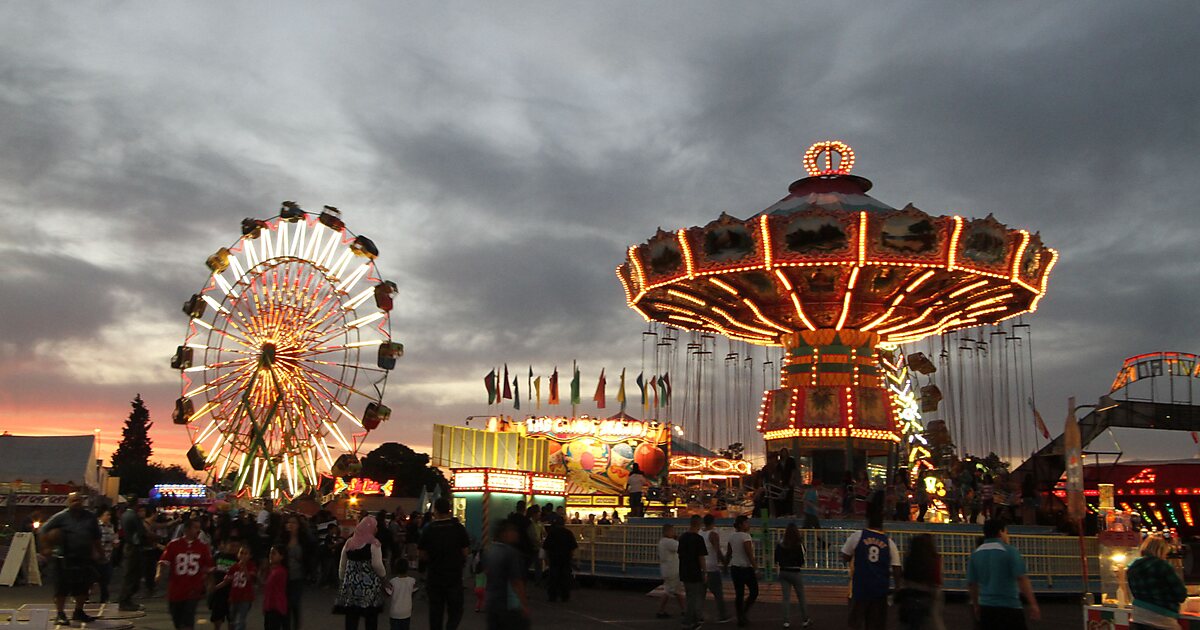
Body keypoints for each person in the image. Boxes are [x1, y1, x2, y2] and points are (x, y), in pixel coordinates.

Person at [38, 491, 101, 626]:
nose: (76, 502)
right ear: (68, 502)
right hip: (64, 557)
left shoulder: (90, 517)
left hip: (84, 557)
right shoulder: (60, 517)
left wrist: (98, 552)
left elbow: (96, 537)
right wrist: (46, 547)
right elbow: (43, 529)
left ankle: (78, 612)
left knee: (83, 588)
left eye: (78, 500)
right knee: (61, 588)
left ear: (82, 501)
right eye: (73, 500)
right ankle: (60, 614)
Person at [966, 519, 1040, 629]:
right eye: (1006, 532)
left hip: (986, 607)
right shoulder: (1010, 551)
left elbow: (972, 584)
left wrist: (976, 606)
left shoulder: (975, 554)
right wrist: (1033, 603)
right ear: (1000, 532)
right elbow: (1022, 578)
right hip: (1009, 606)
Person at [840, 499, 902, 630]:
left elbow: (844, 556)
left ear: (867, 521)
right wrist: (897, 588)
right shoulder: (889, 542)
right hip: (879, 591)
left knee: (855, 623)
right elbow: (897, 568)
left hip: (859, 589)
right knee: (876, 624)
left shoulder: (857, 536)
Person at [419, 497, 471, 630]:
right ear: (449, 510)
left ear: (435, 510)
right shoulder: (458, 528)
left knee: (436, 611)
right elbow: (465, 552)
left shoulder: (429, 529)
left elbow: (422, 554)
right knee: (456, 610)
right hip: (454, 576)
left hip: (434, 576)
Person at [158, 518, 215, 630]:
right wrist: (158, 574)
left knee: (188, 620)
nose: (198, 531)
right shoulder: (174, 545)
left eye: (199, 528)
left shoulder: (202, 547)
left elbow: (209, 567)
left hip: (193, 590)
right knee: (177, 620)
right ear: (186, 529)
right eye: (195, 528)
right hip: (175, 590)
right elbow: (163, 562)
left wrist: (210, 583)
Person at [337, 515, 388, 630]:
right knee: (370, 618)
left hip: (351, 585)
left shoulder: (349, 542)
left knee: (351, 618)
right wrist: (383, 577)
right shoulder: (374, 544)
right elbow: (377, 564)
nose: (376, 529)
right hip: (369, 586)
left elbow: (343, 563)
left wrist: (341, 578)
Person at [1126, 535, 1187, 630]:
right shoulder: (1162, 565)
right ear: (1161, 550)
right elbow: (1181, 594)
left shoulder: (1132, 567)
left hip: (1137, 618)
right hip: (1162, 619)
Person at [484, 520, 530, 630]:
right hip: (508, 604)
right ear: (504, 533)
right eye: (512, 531)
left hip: (492, 601)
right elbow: (516, 581)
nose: (516, 534)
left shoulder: (490, 551)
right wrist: (524, 603)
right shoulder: (510, 553)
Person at [897, 533, 944, 630]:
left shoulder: (910, 559)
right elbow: (937, 580)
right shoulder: (934, 558)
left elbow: (905, 578)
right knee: (934, 620)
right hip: (927, 595)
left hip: (910, 596)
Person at [281, 514, 314, 630]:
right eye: (289, 522)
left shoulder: (304, 539)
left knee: (294, 603)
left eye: (294, 522)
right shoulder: (282, 538)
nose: (291, 525)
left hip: (298, 575)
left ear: (299, 525)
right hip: (284, 575)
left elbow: (310, 554)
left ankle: (296, 626)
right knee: (285, 604)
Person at [775, 523, 810, 629]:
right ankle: (805, 620)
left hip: (783, 571)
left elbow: (776, 558)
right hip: (795, 572)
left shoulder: (780, 544)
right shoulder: (799, 544)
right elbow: (802, 560)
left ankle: (786, 621)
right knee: (801, 597)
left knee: (786, 598)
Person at [726, 514, 758, 627]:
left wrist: (725, 565)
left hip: (735, 567)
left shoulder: (732, 537)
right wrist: (755, 568)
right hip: (746, 568)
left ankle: (740, 616)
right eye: (746, 523)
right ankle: (744, 612)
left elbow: (729, 553)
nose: (748, 525)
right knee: (754, 591)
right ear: (741, 525)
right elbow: (749, 553)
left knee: (739, 593)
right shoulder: (746, 537)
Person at [676, 515, 708, 630]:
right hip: (695, 571)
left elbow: (679, 554)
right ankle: (689, 621)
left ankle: (693, 619)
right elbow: (701, 557)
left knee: (690, 595)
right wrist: (705, 571)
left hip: (684, 569)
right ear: (699, 524)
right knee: (693, 598)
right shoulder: (698, 539)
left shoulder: (683, 537)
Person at [701, 513, 732, 623]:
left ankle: (698, 615)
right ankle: (722, 615)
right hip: (712, 566)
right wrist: (724, 563)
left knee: (700, 594)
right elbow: (717, 550)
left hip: (701, 566)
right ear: (713, 522)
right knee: (718, 593)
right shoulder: (713, 535)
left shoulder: (700, 533)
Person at [117, 499, 148, 611]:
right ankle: (125, 600)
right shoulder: (133, 516)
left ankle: (126, 599)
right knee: (132, 575)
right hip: (133, 546)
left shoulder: (124, 515)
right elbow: (141, 532)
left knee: (130, 574)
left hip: (128, 545)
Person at [541, 515, 578, 603]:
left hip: (554, 558)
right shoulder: (568, 533)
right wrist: (572, 557)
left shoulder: (552, 533)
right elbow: (573, 547)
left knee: (553, 577)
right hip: (565, 558)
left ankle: (552, 596)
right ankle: (565, 596)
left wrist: (547, 559)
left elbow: (546, 547)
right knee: (565, 577)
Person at [220, 544, 257, 630]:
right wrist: (217, 587)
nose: (243, 555)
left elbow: (249, 578)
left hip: (246, 597)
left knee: (241, 620)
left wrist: (244, 568)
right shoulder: (234, 566)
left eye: (246, 553)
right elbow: (227, 579)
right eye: (241, 553)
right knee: (232, 618)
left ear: (250, 556)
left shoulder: (251, 565)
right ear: (238, 554)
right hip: (234, 597)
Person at [655, 524, 686, 619]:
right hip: (673, 570)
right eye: (672, 531)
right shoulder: (669, 542)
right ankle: (662, 611)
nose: (674, 533)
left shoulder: (662, 542)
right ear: (667, 532)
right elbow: (682, 547)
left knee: (672, 590)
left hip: (667, 569)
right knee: (672, 590)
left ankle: (683, 610)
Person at [210, 539, 239, 630]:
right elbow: (211, 570)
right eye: (231, 545)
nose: (233, 548)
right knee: (217, 616)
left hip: (232, 592)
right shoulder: (218, 556)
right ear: (226, 545)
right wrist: (211, 583)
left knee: (231, 617)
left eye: (236, 546)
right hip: (218, 593)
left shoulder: (238, 560)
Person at [264, 545, 290, 630]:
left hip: (276, 606)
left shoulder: (281, 571)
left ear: (281, 557)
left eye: (274, 553)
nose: (270, 555)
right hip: (270, 605)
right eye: (270, 553)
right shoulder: (272, 570)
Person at [387, 557, 417, 630]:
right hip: (407, 611)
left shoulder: (393, 582)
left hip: (395, 612)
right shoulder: (412, 581)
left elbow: (387, 593)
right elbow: (414, 592)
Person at [97, 506, 118, 604]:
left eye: (110, 515)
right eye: (107, 515)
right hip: (97, 556)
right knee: (92, 577)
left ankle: (104, 598)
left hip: (108, 555)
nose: (109, 517)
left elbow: (114, 537)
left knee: (106, 578)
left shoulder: (110, 526)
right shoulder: (96, 526)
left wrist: (115, 542)